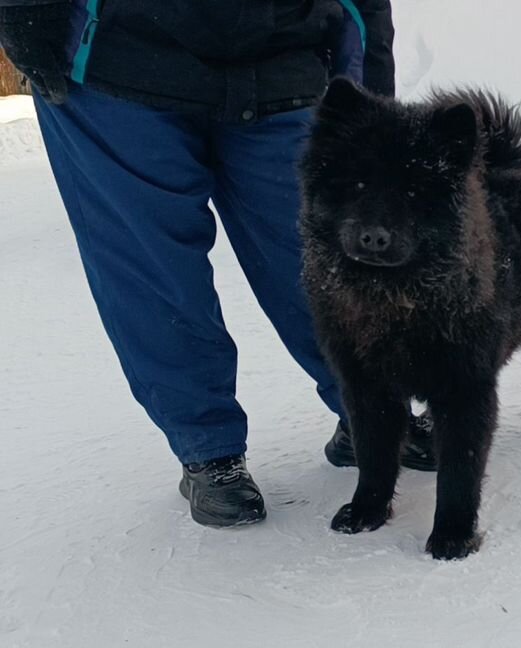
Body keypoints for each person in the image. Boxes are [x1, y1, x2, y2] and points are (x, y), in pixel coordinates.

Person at [0, 0, 435, 528]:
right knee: (153, 272)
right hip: (114, 59)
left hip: (285, 53)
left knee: (332, 259)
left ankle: (369, 413)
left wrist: (371, 77)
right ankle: (210, 452)